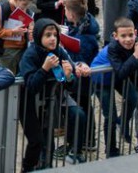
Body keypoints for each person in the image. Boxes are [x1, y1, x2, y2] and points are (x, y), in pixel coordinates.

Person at [19, 18, 89, 169]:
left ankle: (68, 153)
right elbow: (31, 85)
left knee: (77, 115)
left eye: (55, 35)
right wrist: (44, 68)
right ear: (39, 37)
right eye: (48, 35)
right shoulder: (30, 55)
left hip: (53, 99)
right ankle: (28, 168)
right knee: (38, 141)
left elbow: (70, 84)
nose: (52, 39)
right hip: (31, 103)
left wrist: (70, 75)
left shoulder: (60, 51)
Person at [91, 17, 138, 157]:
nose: (128, 39)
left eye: (131, 35)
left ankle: (122, 121)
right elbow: (121, 72)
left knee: (134, 98)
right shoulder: (113, 48)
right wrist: (136, 55)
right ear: (115, 36)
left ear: (135, 32)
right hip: (102, 80)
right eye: (123, 36)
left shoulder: (137, 43)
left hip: (117, 76)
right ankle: (111, 150)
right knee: (110, 116)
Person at [0, 0, 34, 74]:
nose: (26, 8)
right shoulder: (0, 10)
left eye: (28, 5)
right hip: (8, 50)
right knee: (7, 77)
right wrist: (13, 32)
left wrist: (30, 31)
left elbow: (29, 27)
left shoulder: (25, 10)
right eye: (24, 4)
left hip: (23, 49)